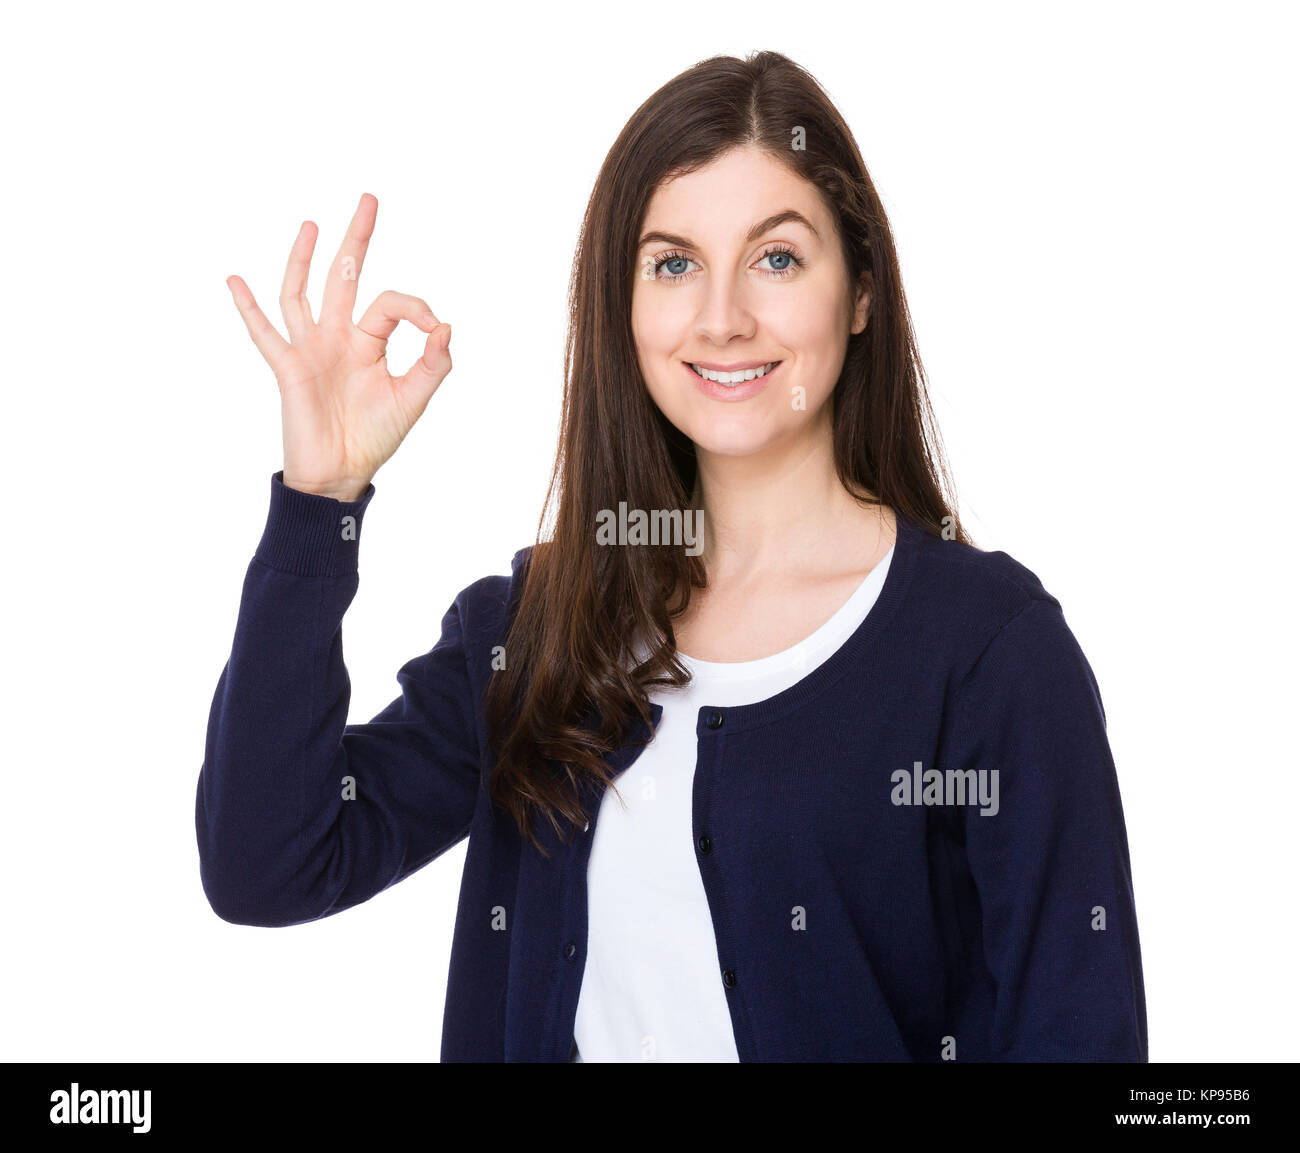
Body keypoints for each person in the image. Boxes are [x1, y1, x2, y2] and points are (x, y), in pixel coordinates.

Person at [198, 50, 1147, 1062]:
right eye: (672, 263)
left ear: (861, 291)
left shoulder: (987, 652)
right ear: (623, 304)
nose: (722, 317)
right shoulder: (536, 629)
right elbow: (269, 865)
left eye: (777, 258)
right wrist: (319, 503)